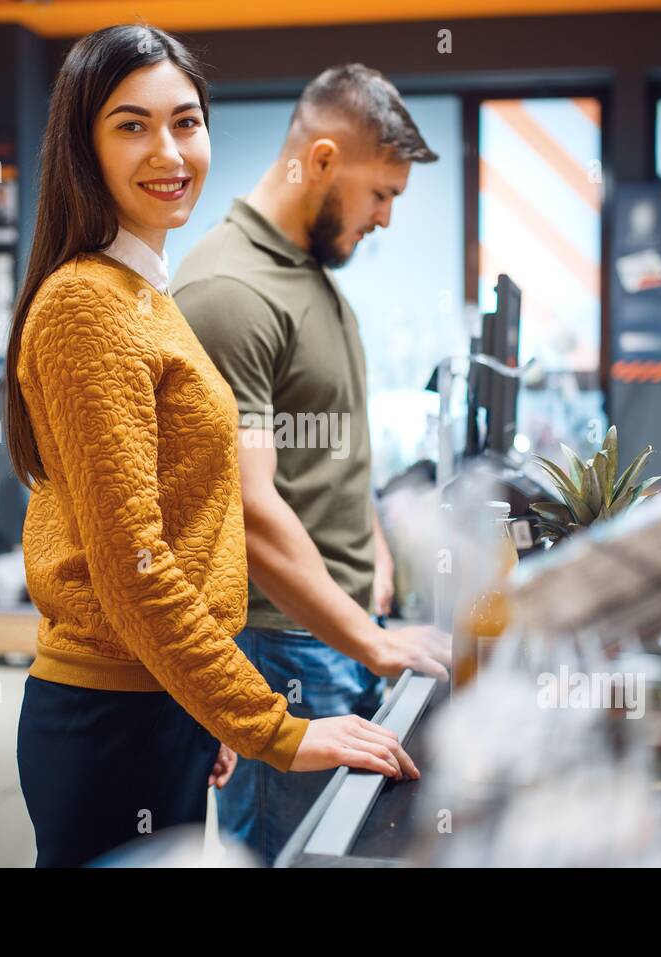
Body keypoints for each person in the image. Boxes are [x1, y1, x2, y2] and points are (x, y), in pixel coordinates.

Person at [4, 26, 418, 868]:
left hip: (156, 701)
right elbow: (134, 566)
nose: (169, 150)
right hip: (106, 720)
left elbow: (191, 527)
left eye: (185, 121)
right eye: (131, 125)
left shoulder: (144, 297)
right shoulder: (87, 304)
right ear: (82, 144)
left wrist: (203, 705)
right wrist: (269, 724)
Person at [172, 64, 451, 865]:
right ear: (322, 160)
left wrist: (374, 544)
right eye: (381, 194)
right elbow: (249, 510)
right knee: (291, 856)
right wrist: (373, 638)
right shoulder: (231, 290)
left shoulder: (306, 277)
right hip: (279, 643)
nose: (388, 218)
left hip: (330, 631)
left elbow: (321, 438)